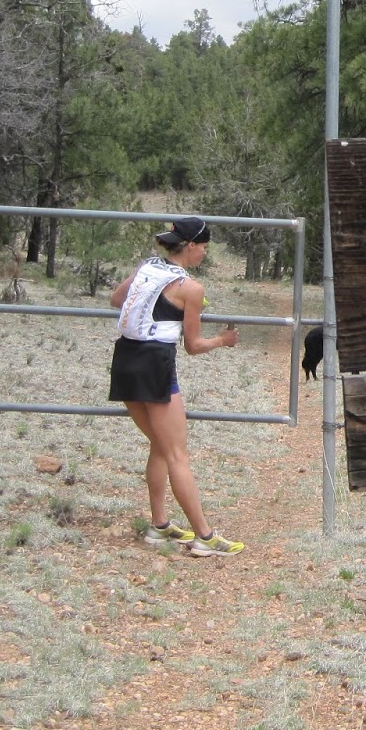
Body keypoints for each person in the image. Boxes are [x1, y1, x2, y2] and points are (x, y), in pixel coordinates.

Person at [109, 215, 244, 557]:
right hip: (156, 365)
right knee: (177, 454)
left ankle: (159, 526)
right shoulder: (191, 289)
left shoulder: (147, 267)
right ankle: (206, 536)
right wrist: (224, 340)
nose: (204, 255)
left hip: (125, 360)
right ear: (193, 246)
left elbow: (116, 299)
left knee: (159, 444)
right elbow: (194, 346)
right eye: (204, 248)